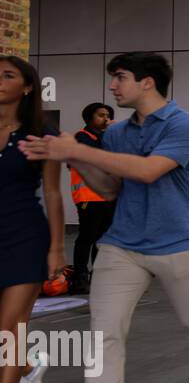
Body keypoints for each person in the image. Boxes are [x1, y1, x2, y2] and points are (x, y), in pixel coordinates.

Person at [20, 52, 189, 383]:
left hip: (179, 242)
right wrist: (73, 156)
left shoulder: (187, 126)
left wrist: (79, 149)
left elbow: (148, 171)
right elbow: (110, 189)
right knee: (102, 334)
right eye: (113, 78)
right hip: (122, 245)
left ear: (147, 83)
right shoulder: (117, 134)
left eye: (121, 78)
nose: (113, 86)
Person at [0, 56, 64, 383]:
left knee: (8, 328)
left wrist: (57, 247)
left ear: (26, 87)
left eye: (6, 75)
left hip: (24, 234)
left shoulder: (41, 133)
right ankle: (27, 366)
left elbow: (54, 193)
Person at [69, 102, 117, 294]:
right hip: (88, 197)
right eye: (101, 115)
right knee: (86, 238)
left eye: (108, 115)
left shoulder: (105, 137)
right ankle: (80, 277)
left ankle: (98, 276)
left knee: (102, 240)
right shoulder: (82, 137)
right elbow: (96, 155)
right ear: (89, 118)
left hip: (107, 197)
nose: (105, 119)